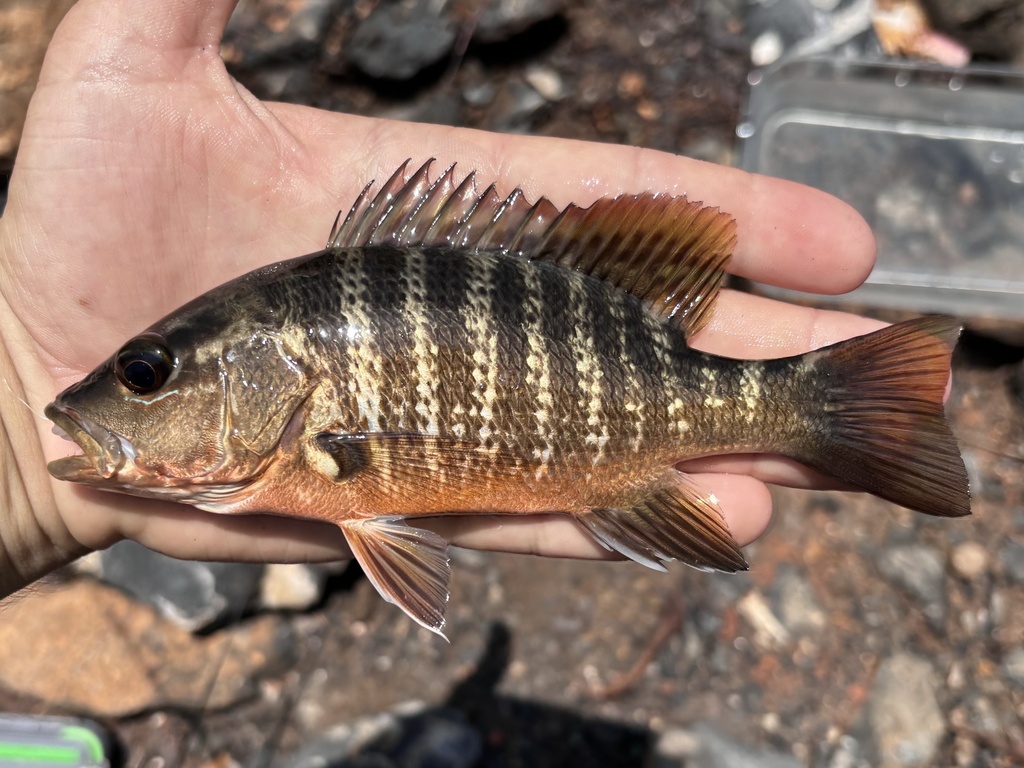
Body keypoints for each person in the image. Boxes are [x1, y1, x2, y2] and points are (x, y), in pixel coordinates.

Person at [0, 0, 879, 601]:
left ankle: (821, 402)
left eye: (147, 372)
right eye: (146, 371)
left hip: (618, 421)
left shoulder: (309, 417)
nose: (114, 394)